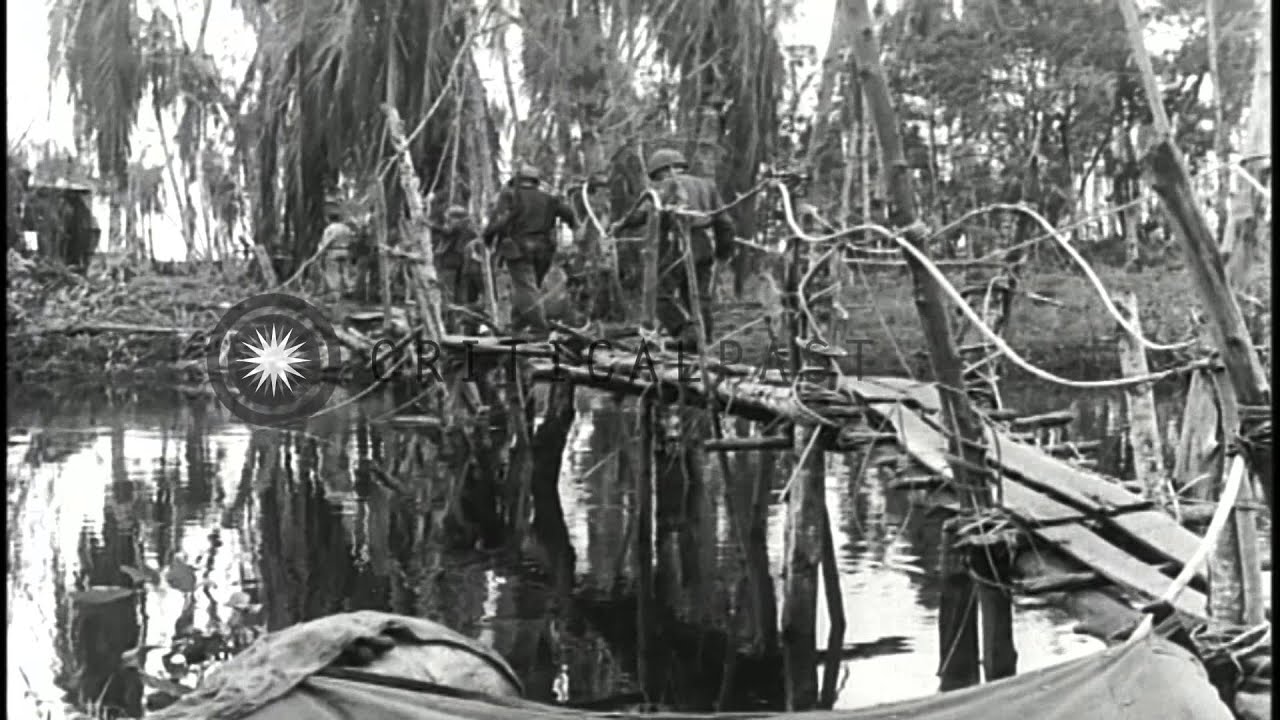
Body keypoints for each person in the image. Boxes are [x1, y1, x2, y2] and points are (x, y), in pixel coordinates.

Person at [610, 148, 736, 348]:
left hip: (678, 243)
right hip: (704, 245)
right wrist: (724, 251)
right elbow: (725, 223)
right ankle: (705, 340)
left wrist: (619, 226)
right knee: (696, 297)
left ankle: (686, 333)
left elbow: (639, 215)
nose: (658, 180)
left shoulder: (666, 187)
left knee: (659, 294)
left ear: (661, 171)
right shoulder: (707, 186)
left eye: (657, 176)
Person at [482, 164, 578, 337]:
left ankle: (539, 328)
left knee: (526, 288)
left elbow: (501, 220)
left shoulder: (511, 196)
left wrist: (488, 236)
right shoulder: (549, 198)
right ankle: (517, 325)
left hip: (519, 247)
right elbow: (570, 215)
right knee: (530, 288)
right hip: (544, 249)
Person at [432, 205, 485, 332]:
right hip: (458, 267)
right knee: (455, 297)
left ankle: (451, 325)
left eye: (450, 218)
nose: (448, 221)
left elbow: (447, 231)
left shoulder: (461, 229)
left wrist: (428, 224)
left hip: (453, 266)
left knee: (449, 296)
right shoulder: (468, 230)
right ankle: (454, 324)